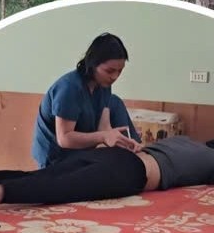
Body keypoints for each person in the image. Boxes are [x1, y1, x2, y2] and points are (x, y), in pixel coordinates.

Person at [0, 136, 214, 209]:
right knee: (63, 190)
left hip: (111, 154)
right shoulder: (213, 159)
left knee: (43, 176)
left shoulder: (183, 140)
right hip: (131, 172)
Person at [32, 33, 141, 168]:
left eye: (120, 71)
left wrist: (123, 141)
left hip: (80, 154)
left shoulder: (104, 85)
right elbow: (64, 138)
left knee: (116, 102)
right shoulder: (69, 88)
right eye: (110, 71)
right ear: (93, 64)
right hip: (55, 157)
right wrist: (103, 137)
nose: (115, 76)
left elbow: (104, 127)